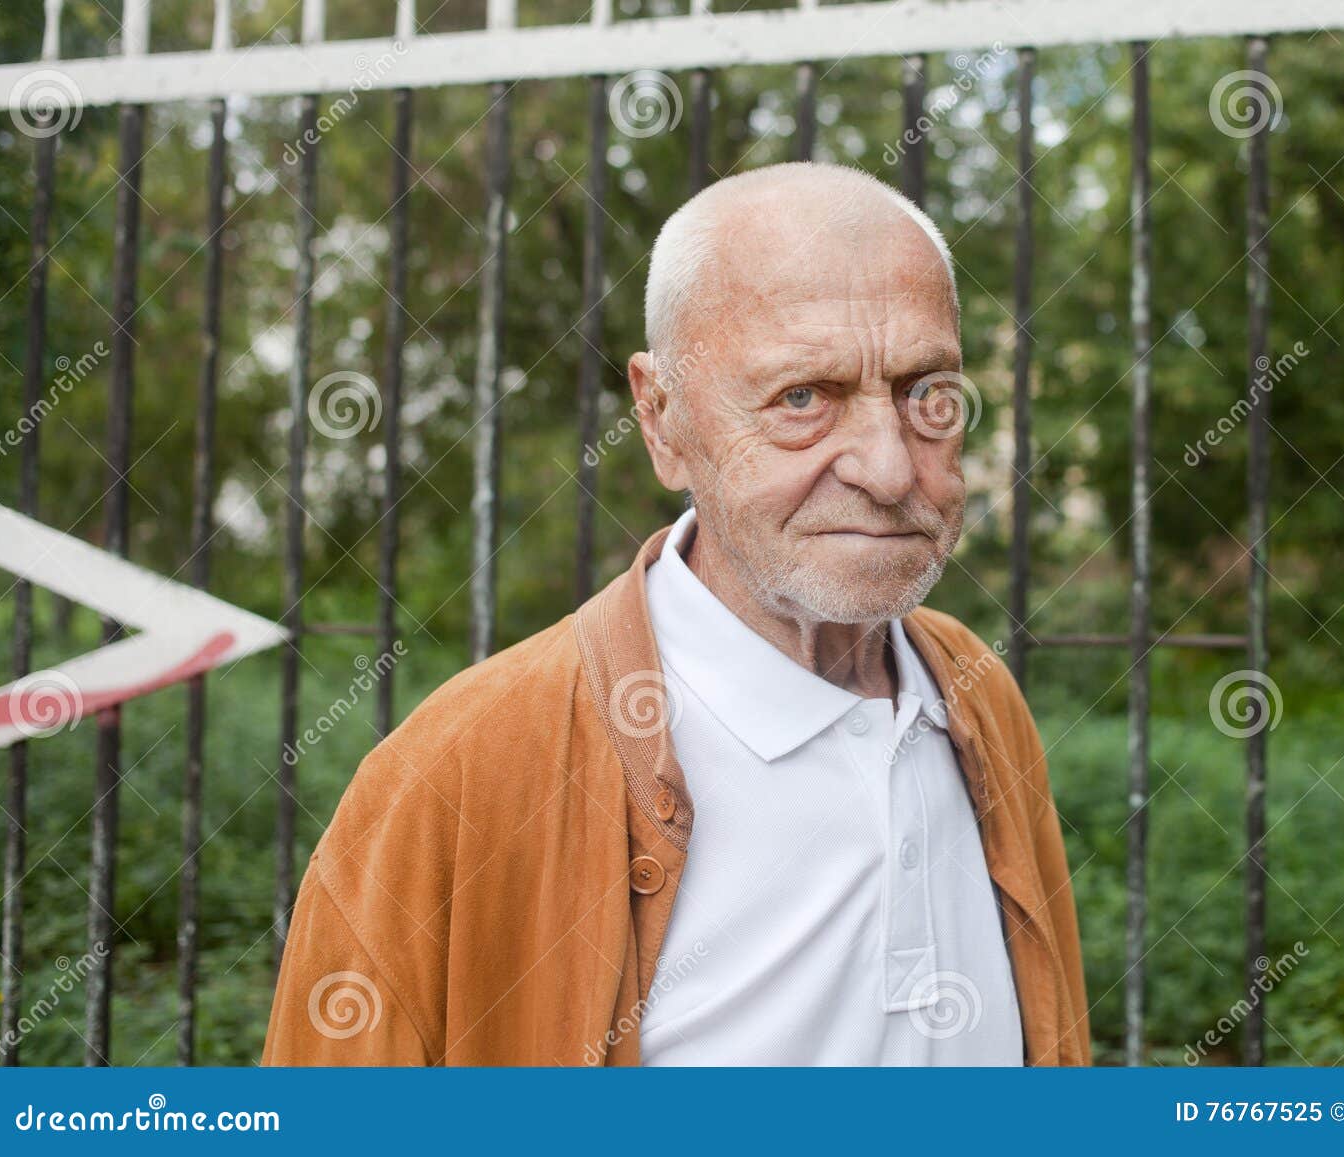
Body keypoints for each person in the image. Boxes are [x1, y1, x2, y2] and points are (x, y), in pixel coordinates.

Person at [262, 161, 1090, 1066]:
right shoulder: (457, 775)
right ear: (660, 419)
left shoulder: (973, 696)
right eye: (802, 399)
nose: (890, 471)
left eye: (925, 392)